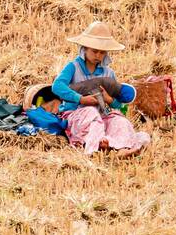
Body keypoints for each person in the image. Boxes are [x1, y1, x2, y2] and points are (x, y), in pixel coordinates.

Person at [47, 21, 152, 157]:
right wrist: (81, 99)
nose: (98, 55)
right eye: (94, 51)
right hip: (77, 116)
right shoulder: (73, 67)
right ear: (84, 48)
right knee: (91, 113)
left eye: (102, 53)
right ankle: (93, 150)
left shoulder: (108, 73)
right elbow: (57, 86)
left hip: (102, 115)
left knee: (120, 120)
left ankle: (121, 149)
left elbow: (119, 106)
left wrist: (109, 100)